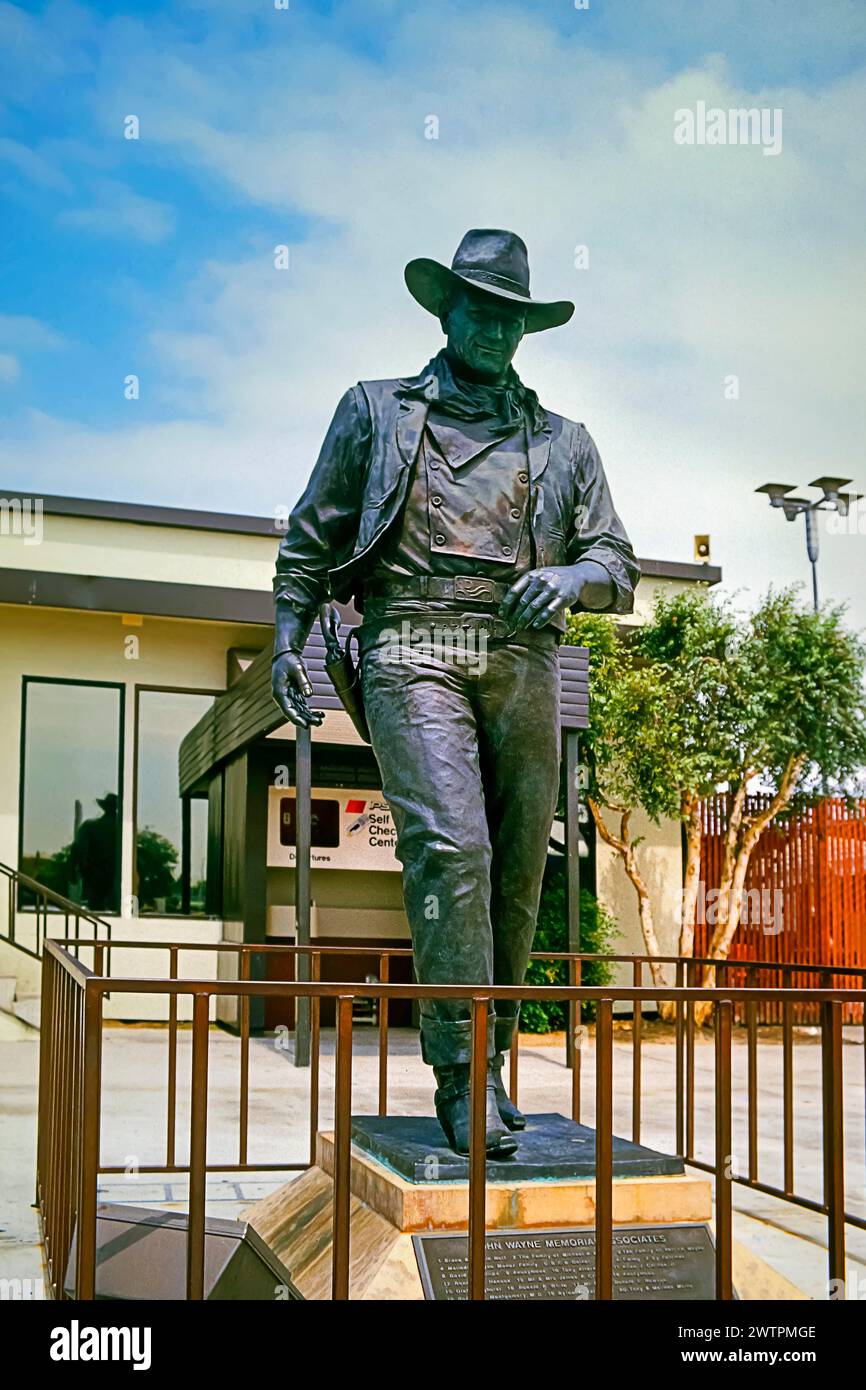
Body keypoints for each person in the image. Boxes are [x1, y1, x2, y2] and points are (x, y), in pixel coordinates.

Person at [272, 229, 639, 1154]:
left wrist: (572, 581)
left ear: (525, 327)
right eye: (477, 308)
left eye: (509, 316)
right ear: (446, 310)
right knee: (451, 851)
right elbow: (310, 539)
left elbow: (618, 565)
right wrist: (289, 638)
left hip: (522, 657)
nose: (492, 328)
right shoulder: (375, 411)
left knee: (518, 874)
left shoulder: (565, 442)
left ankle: (496, 1055)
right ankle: (459, 1072)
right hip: (410, 641)